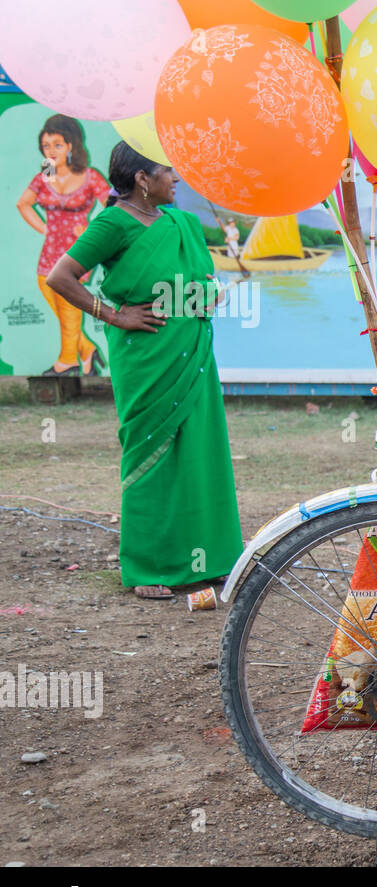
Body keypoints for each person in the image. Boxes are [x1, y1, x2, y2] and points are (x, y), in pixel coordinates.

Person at [44, 142, 243, 599]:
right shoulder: (114, 223)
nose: (176, 179)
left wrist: (210, 295)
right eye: (167, 172)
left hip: (190, 350)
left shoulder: (183, 223)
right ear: (141, 179)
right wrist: (114, 316)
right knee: (150, 453)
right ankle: (148, 566)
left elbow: (201, 281)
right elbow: (61, 277)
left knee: (199, 451)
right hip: (145, 354)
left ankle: (207, 559)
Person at [15, 114, 111, 376]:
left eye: (57, 144)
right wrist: (44, 228)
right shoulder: (46, 173)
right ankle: (87, 349)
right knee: (52, 296)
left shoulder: (89, 176)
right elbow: (23, 203)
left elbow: (113, 209)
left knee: (69, 303)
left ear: (70, 145)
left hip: (76, 251)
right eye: (46, 146)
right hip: (49, 251)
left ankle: (67, 361)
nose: (51, 151)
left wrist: (91, 230)